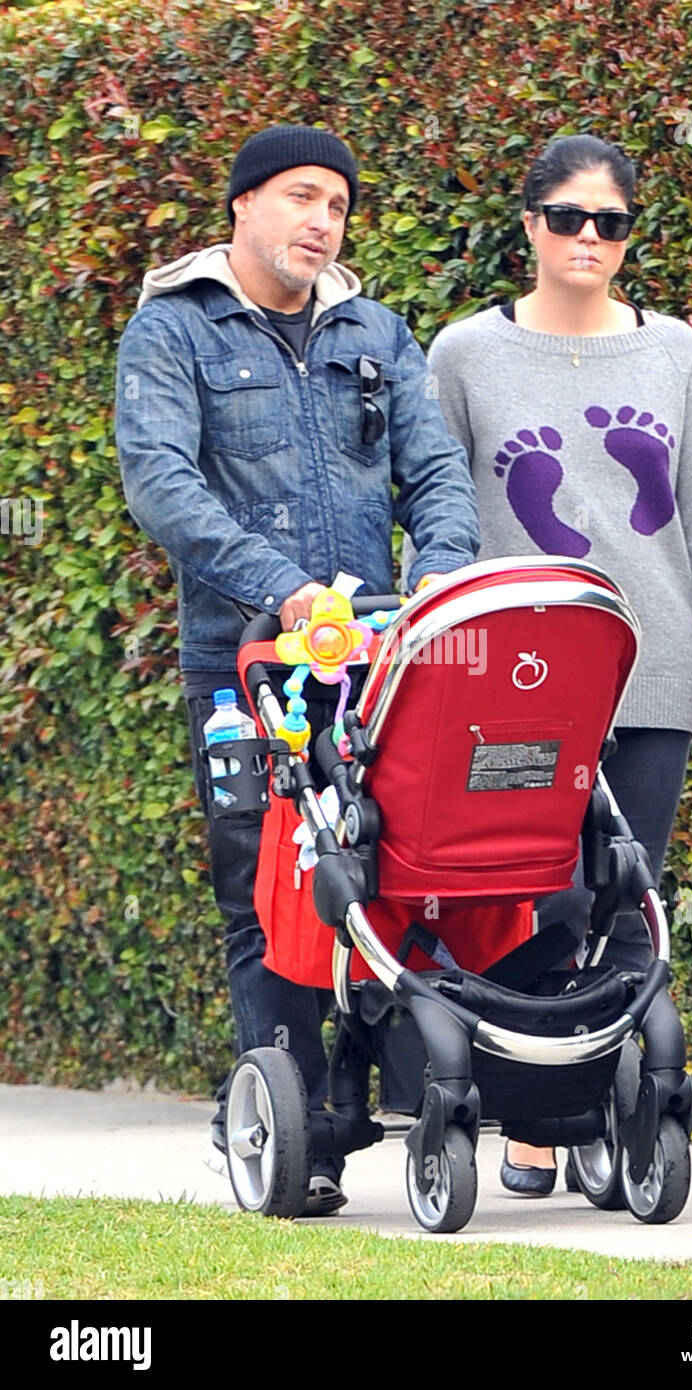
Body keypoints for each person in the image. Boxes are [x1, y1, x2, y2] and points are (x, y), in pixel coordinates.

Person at [115, 125, 479, 1214]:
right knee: (262, 888)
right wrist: (281, 588)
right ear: (242, 205)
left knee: (385, 864)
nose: (321, 220)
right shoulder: (173, 329)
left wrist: (442, 583)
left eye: (337, 205)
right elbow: (163, 482)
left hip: (378, 656)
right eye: (300, 197)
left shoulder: (375, 332)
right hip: (246, 661)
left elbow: (437, 470)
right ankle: (299, 1132)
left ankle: (368, 1095)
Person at [414, 133, 692, 1195]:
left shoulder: (674, 352)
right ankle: (533, 1123)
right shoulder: (464, 353)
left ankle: (607, 1120)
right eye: (565, 218)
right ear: (527, 226)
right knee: (539, 894)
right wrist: (423, 661)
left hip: (649, 668)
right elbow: (431, 518)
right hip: (514, 674)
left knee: (627, 897)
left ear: (626, 235)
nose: (586, 238)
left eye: (608, 222)